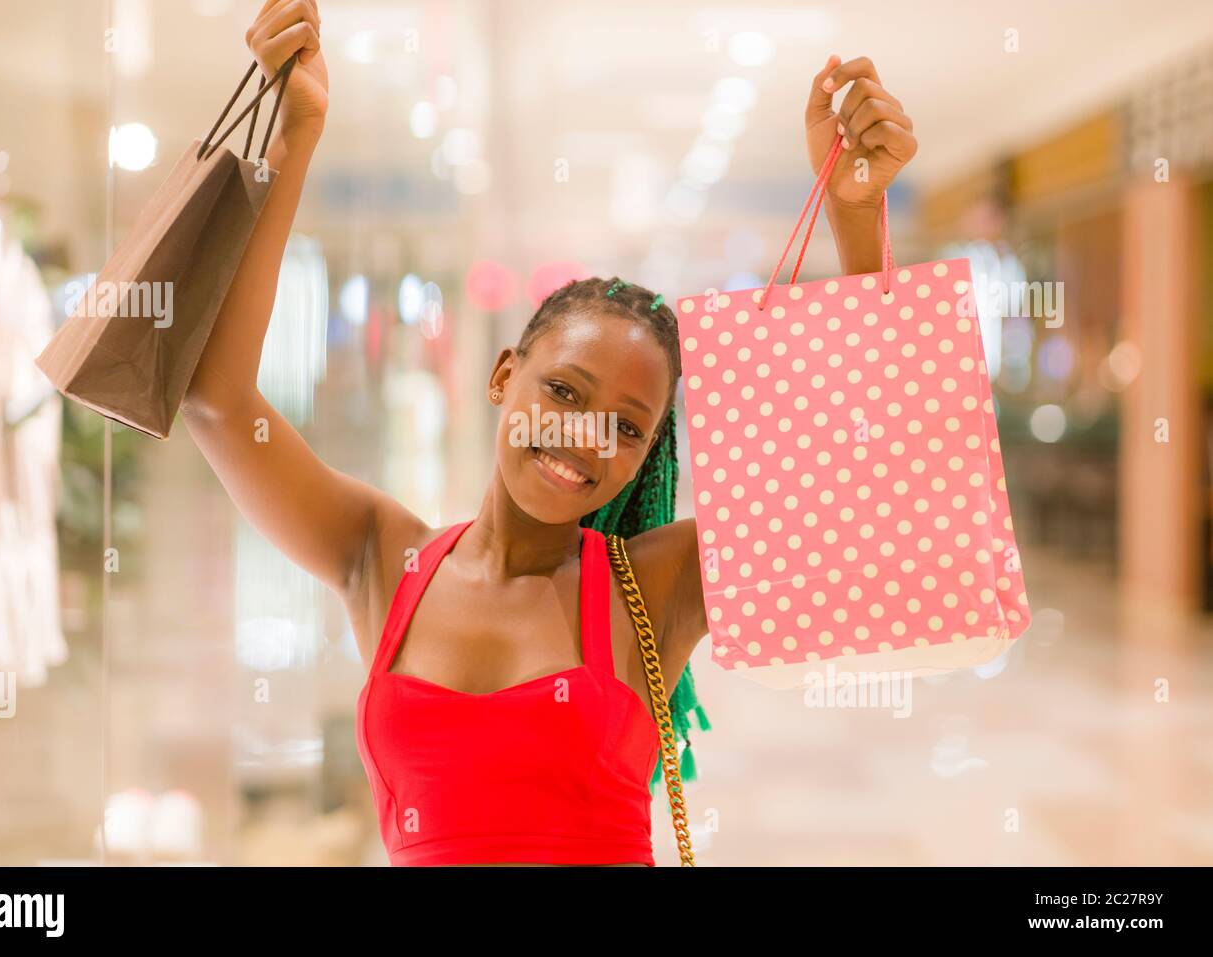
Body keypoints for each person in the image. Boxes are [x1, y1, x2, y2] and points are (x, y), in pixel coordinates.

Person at [181, 0, 917, 866]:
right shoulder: (381, 557)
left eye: (628, 426)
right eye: (563, 390)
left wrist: (856, 223)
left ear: (649, 452)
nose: (582, 437)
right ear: (503, 377)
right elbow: (218, 402)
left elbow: (865, 496)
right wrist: (296, 131)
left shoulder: (657, 585)